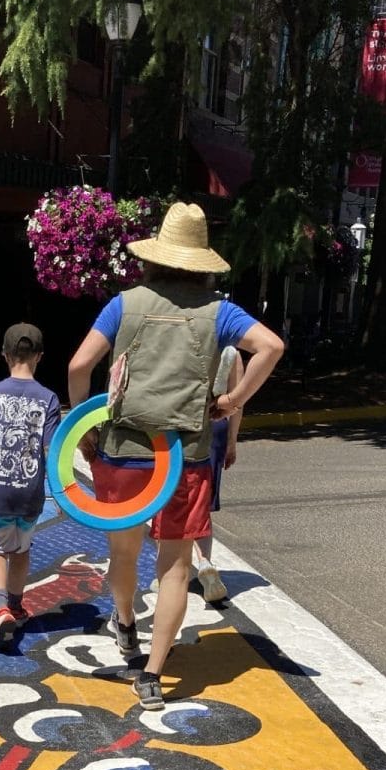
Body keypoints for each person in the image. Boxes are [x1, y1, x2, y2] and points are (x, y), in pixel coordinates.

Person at [67, 202, 284, 711]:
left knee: (122, 554)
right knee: (175, 569)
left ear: (156, 256)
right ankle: (153, 676)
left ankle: (124, 627)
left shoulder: (125, 304)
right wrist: (231, 402)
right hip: (183, 457)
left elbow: (80, 366)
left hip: (122, 450)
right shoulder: (221, 312)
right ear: (202, 261)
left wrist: (82, 429)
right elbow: (270, 346)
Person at [0, 323, 62, 651]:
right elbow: (52, 450)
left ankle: (0, 607)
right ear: (39, 357)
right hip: (30, 493)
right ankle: (18, 603)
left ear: (5, 355)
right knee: (21, 551)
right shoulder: (48, 398)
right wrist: (59, 491)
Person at [191, 347, 244, 604]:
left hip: (179, 422)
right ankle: (204, 561)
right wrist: (232, 442)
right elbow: (237, 400)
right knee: (202, 502)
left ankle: (167, 571)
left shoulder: (184, 333)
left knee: (168, 500)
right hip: (216, 423)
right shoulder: (230, 350)